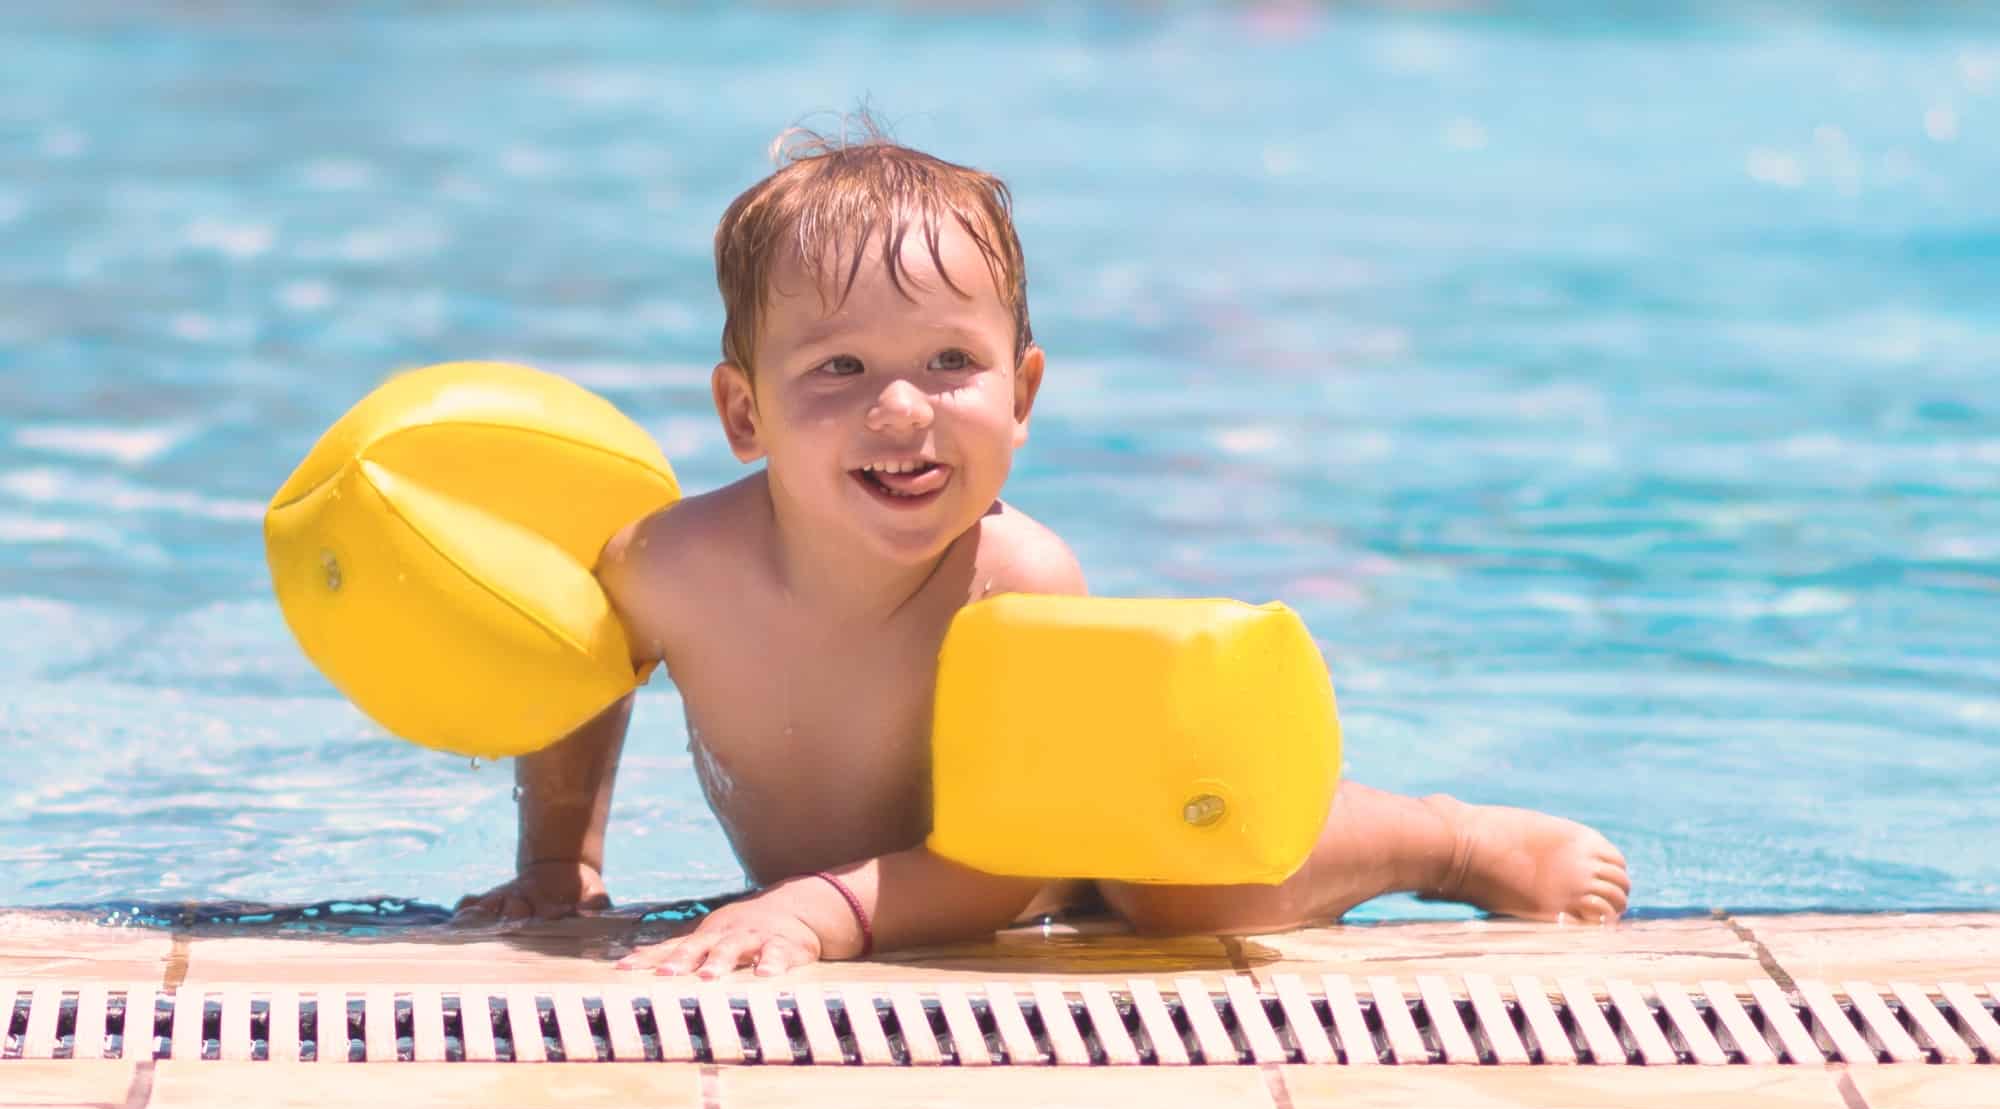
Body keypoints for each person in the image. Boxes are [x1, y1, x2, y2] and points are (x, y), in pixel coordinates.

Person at [452, 128, 1631, 976]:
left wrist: (820, 909)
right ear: (742, 412)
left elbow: (1017, 862)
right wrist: (561, 860)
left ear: (1022, 392)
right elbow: (577, 676)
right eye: (838, 370)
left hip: (1067, 830)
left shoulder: (1015, 581)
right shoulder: (670, 560)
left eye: (950, 365)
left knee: (1184, 888)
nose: (902, 410)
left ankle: (1450, 837)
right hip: (909, 878)